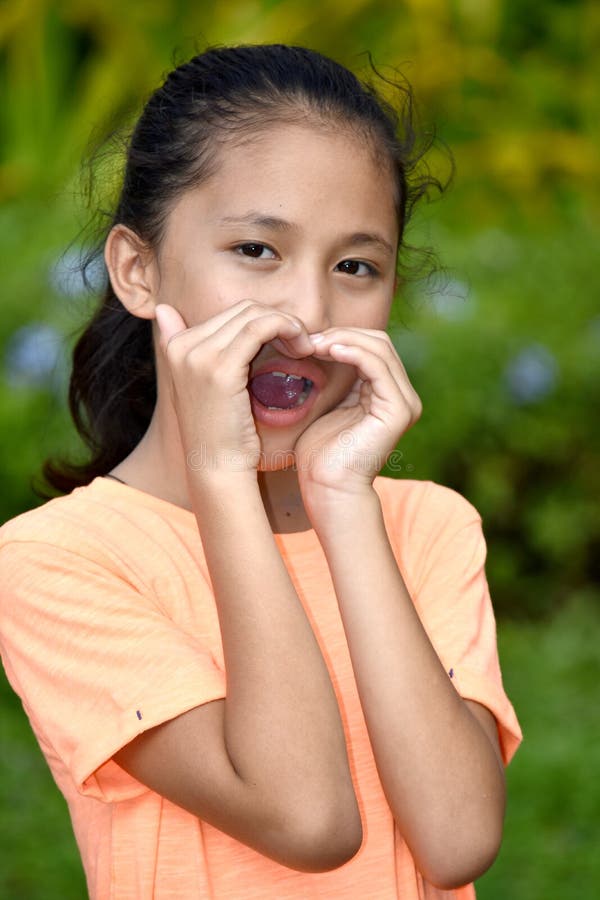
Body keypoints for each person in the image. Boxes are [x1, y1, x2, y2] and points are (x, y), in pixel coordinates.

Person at [0, 44, 521, 899]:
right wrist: (221, 472)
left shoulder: (428, 526)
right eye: (255, 249)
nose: (306, 315)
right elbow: (306, 818)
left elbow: (459, 839)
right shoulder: (61, 559)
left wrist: (343, 502)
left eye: (356, 266)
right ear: (138, 269)